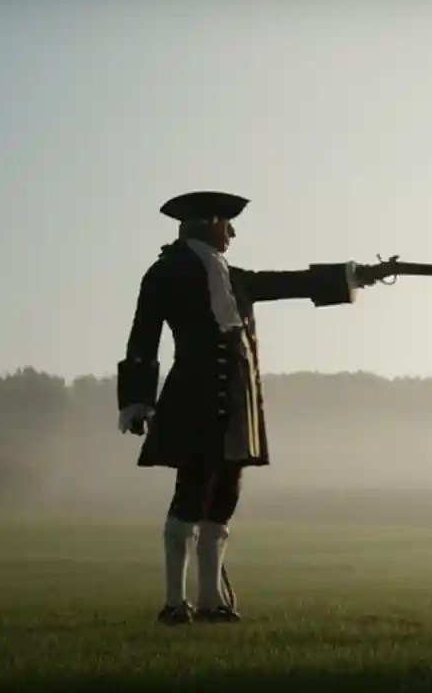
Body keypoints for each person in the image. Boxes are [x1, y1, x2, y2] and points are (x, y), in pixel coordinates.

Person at [116, 191, 379, 625]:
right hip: (193, 396)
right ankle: (173, 603)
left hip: (238, 398)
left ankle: (210, 602)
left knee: (224, 498)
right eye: (226, 224)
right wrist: (137, 400)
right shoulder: (166, 273)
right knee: (191, 493)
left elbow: (286, 283)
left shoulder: (233, 276)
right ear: (206, 224)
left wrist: (355, 275)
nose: (232, 233)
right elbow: (143, 335)